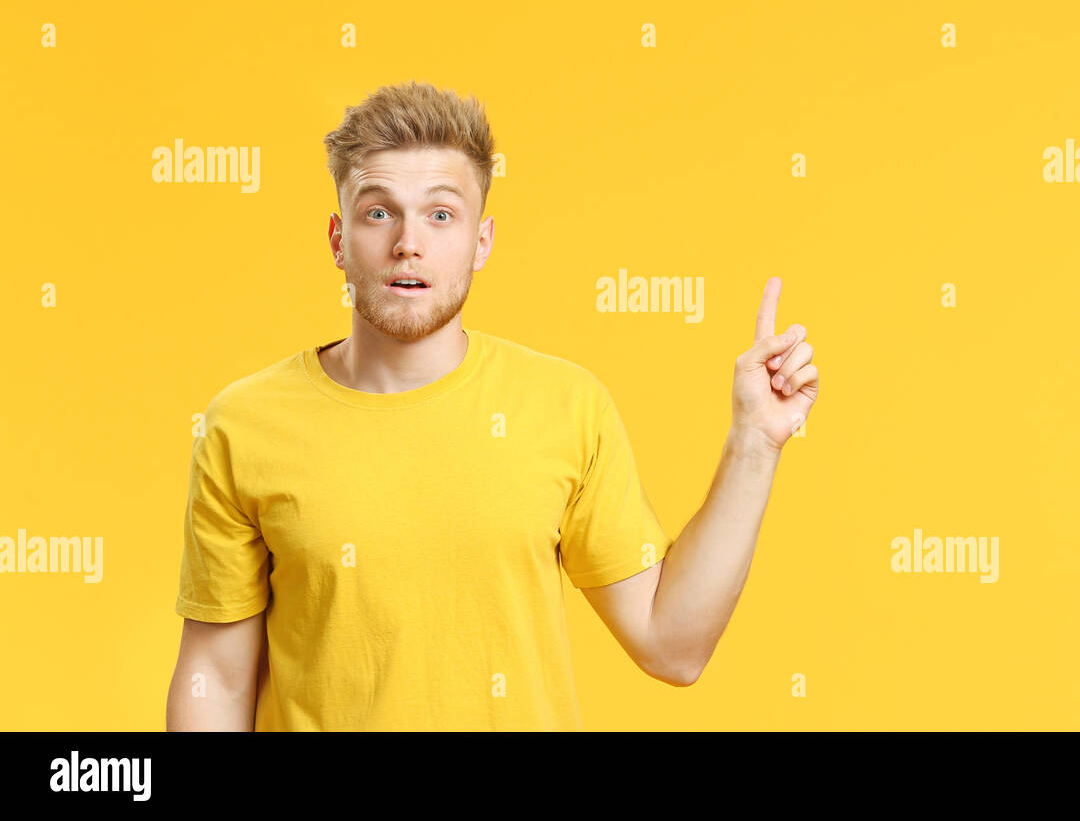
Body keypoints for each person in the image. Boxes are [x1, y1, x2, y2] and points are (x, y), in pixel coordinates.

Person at [164, 80, 819, 730]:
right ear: (338, 239)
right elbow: (216, 680)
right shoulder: (245, 424)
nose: (407, 243)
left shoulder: (565, 406)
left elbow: (672, 646)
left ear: (482, 240)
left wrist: (755, 443)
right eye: (378, 212)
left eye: (441, 214)